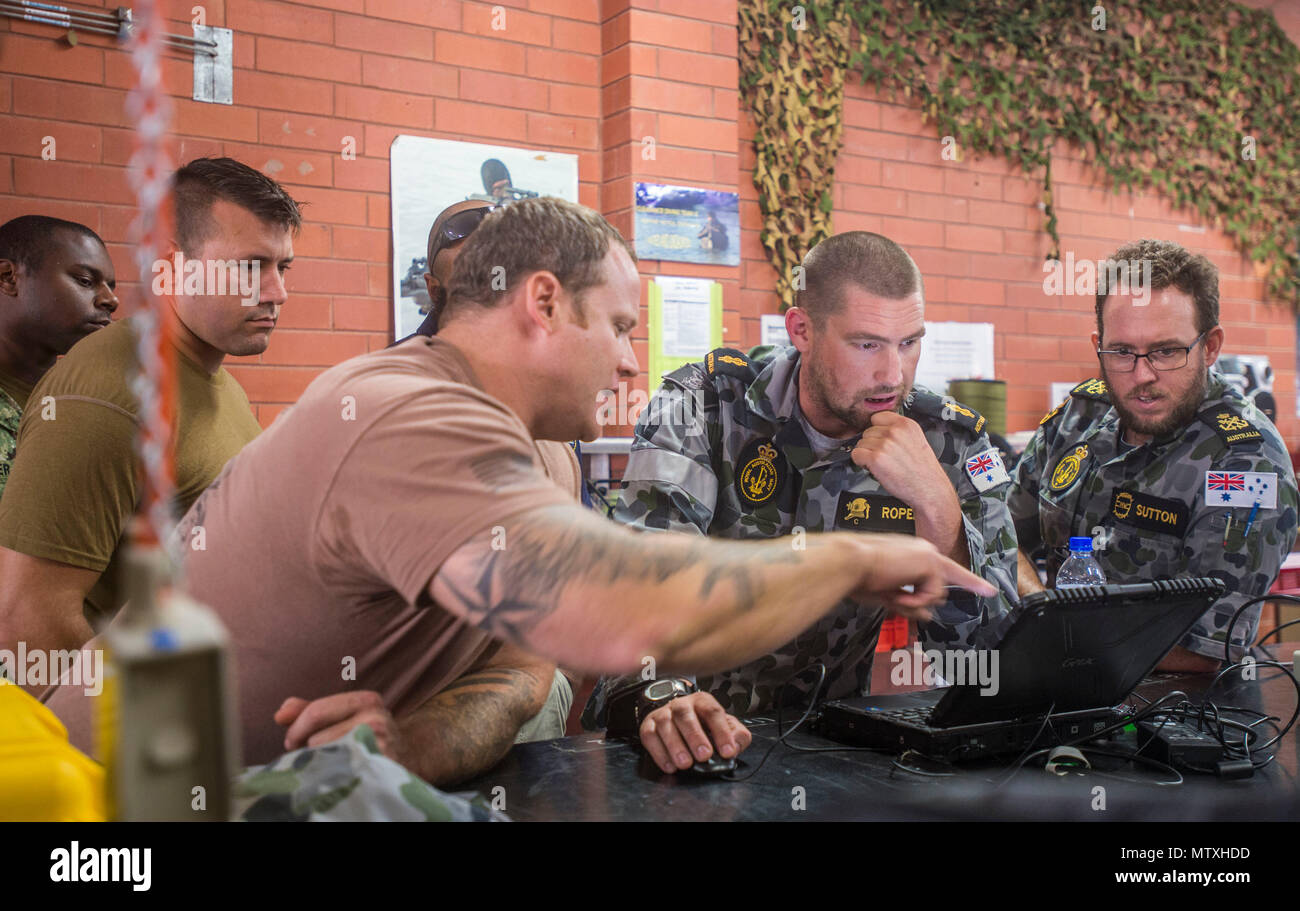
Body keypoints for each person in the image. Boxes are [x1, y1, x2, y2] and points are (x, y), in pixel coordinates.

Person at [46, 198, 994, 786]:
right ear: (543, 303)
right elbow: (618, 611)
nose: (632, 359)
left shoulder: (542, 454)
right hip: (105, 808)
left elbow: (521, 673)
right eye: (619, 325)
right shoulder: (402, 415)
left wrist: (413, 740)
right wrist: (858, 555)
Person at [587, 231, 1020, 773]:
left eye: (909, 342)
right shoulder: (702, 408)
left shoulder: (949, 442)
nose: (893, 374)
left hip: (831, 749)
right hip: (679, 746)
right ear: (802, 330)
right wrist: (665, 699)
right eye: (867, 344)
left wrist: (940, 513)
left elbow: (986, 668)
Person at [0, 157, 300, 666]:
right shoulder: (108, 392)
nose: (277, 293)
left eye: (282, 267)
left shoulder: (209, 378)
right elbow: (28, 622)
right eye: (250, 267)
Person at [1006, 238, 1298, 671]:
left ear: (1210, 346)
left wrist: (1047, 625)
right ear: (1098, 344)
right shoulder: (1080, 416)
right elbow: (999, 538)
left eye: (1166, 351)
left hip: (1173, 717)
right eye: (1122, 352)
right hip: (1054, 699)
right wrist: (1038, 602)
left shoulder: (1244, 463)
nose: (1143, 375)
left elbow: (1202, 650)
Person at [0, 216, 118, 498]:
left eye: (111, 286)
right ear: (8, 278)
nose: (111, 300)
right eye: (86, 281)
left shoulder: (93, 408)